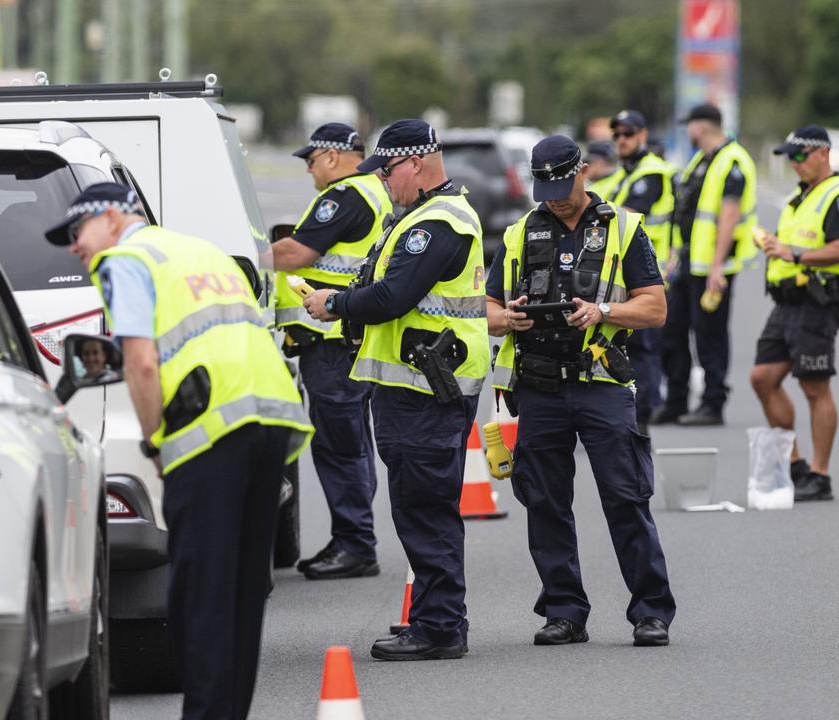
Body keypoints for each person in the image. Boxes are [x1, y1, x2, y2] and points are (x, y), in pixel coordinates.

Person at [45, 182, 313, 720]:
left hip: (209, 428)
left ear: (114, 218)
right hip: (271, 420)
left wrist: (154, 443)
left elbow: (140, 361)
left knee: (199, 591)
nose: (75, 245)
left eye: (78, 230)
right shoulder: (200, 251)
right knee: (240, 590)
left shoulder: (125, 259)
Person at [304, 119, 488, 661]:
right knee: (419, 508)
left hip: (426, 393)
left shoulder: (436, 223)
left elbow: (394, 297)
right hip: (418, 389)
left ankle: (439, 627)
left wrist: (332, 305)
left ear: (414, 164)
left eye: (388, 171)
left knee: (425, 510)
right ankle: (437, 616)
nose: (384, 182)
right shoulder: (422, 216)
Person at [486, 135, 676, 647]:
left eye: (562, 184)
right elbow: (484, 307)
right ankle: (564, 611)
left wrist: (603, 311)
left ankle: (650, 611)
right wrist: (509, 317)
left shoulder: (625, 228)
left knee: (625, 498)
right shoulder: (521, 233)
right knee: (545, 503)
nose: (555, 197)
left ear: (584, 171)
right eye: (544, 188)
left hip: (602, 384)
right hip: (541, 387)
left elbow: (655, 307)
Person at [274, 123, 391, 580]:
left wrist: (237, 258)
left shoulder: (344, 196)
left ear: (332, 155)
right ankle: (356, 538)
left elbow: (295, 254)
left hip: (331, 339)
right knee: (353, 444)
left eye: (310, 159)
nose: (308, 168)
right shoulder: (375, 191)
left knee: (339, 447)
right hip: (349, 335)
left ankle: (355, 544)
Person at [752, 125, 839, 501]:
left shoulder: (838, 197)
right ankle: (794, 464)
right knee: (762, 377)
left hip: (818, 301)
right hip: (786, 302)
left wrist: (792, 253)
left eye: (798, 156)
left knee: (813, 385)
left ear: (822, 153)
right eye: (788, 157)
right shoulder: (798, 196)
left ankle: (820, 475)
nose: (793, 164)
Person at [654, 103, 757, 426]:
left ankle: (713, 404)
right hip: (686, 263)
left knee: (709, 336)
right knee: (672, 331)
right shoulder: (702, 159)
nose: (688, 132)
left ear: (700, 126)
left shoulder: (733, 161)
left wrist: (716, 267)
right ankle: (676, 400)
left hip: (713, 267)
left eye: (690, 126)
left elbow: (727, 216)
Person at [608, 109, 677, 433]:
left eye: (628, 134)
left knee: (644, 348)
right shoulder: (626, 173)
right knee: (630, 345)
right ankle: (632, 413)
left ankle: (643, 415)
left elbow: (627, 214)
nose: (621, 140)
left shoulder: (651, 173)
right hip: (627, 275)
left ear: (642, 135)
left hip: (650, 276)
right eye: (617, 135)